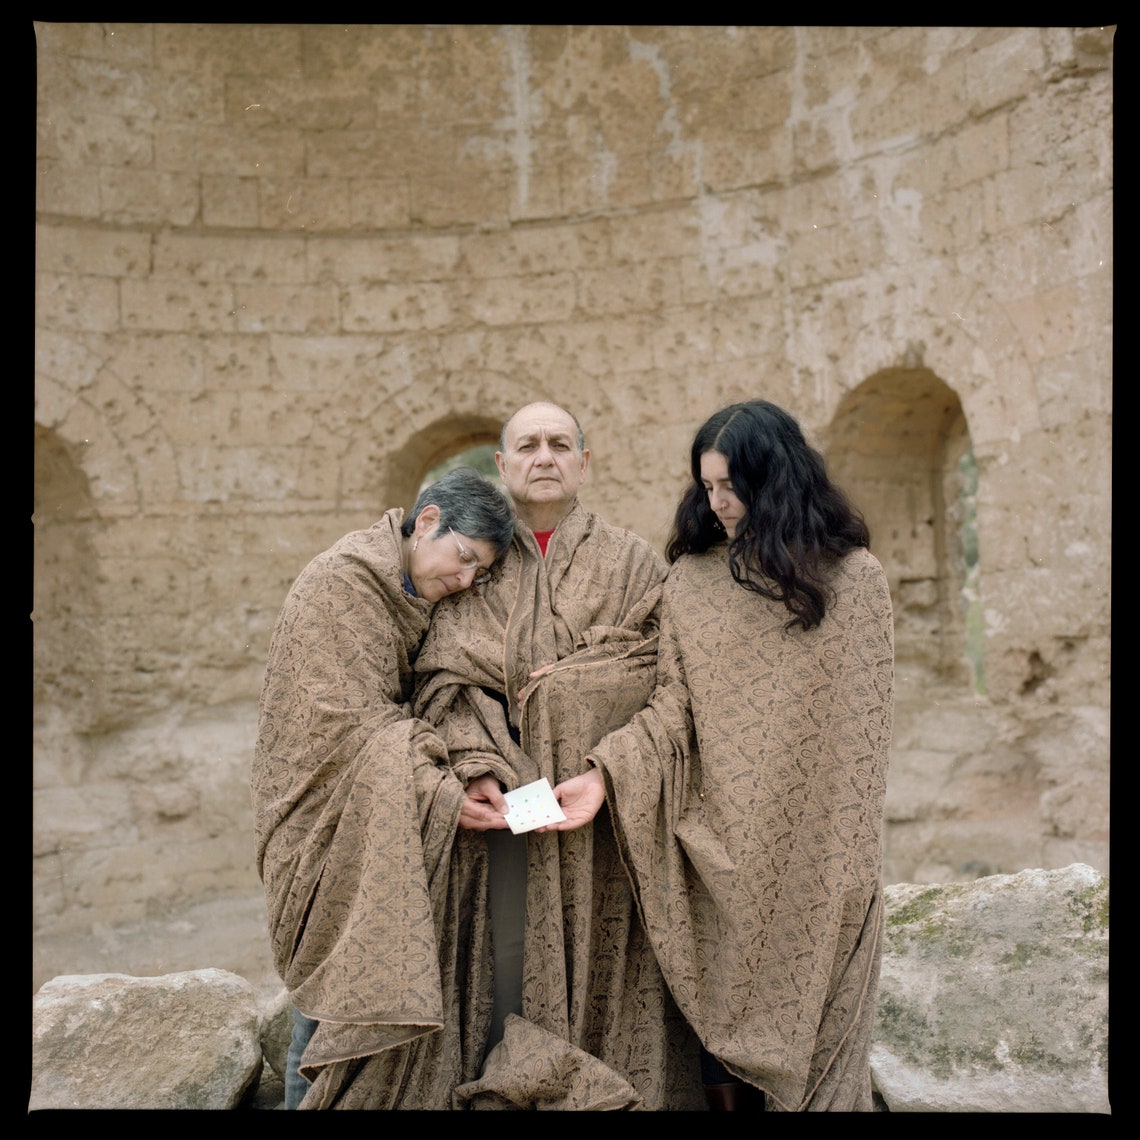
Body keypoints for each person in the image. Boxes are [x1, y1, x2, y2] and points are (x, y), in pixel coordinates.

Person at [301, 400, 706, 1110]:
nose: (543, 456)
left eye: (559, 443)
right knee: (499, 975)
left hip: (603, 817)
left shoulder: (633, 562)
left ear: (584, 460)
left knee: (605, 975)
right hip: (498, 818)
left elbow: (662, 678)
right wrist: (477, 766)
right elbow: (438, 677)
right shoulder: (475, 563)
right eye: (527, 445)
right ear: (502, 465)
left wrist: (589, 716)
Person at [544, 399, 895, 1112]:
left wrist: (844, 865)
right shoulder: (693, 583)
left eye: (733, 486)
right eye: (707, 487)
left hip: (819, 856)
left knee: (820, 1025)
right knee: (714, 1029)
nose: (720, 503)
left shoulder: (856, 582)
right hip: (718, 845)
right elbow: (674, 706)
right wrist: (604, 777)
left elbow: (860, 741)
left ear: (779, 481)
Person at [251, 466, 515, 1111]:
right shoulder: (341, 583)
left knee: (363, 971)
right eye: (462, 559)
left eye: (479, 571)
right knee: (331, 984)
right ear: (426, 521)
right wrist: (442, 791)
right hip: (321, 812)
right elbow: (347, 724)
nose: (465, 580)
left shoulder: (414, 596)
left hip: (381, 807)